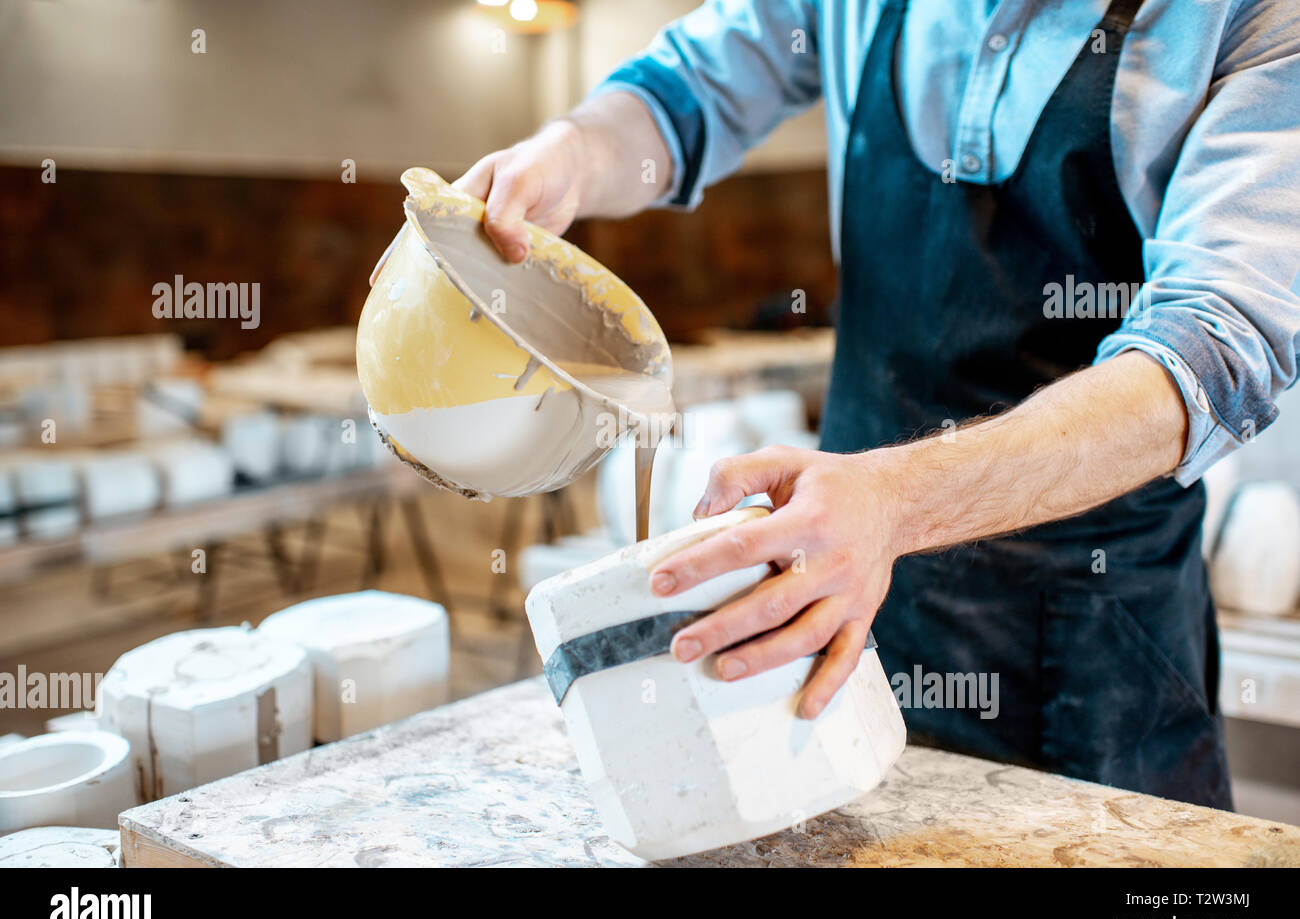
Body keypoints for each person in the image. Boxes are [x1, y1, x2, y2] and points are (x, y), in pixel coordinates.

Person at [455, 0, 1300, 809]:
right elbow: (690, 90)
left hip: (1097, 645)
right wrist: (570, 153)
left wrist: (897, 502)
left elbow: (1215, 345)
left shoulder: (1250, 14)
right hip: (840, 609)